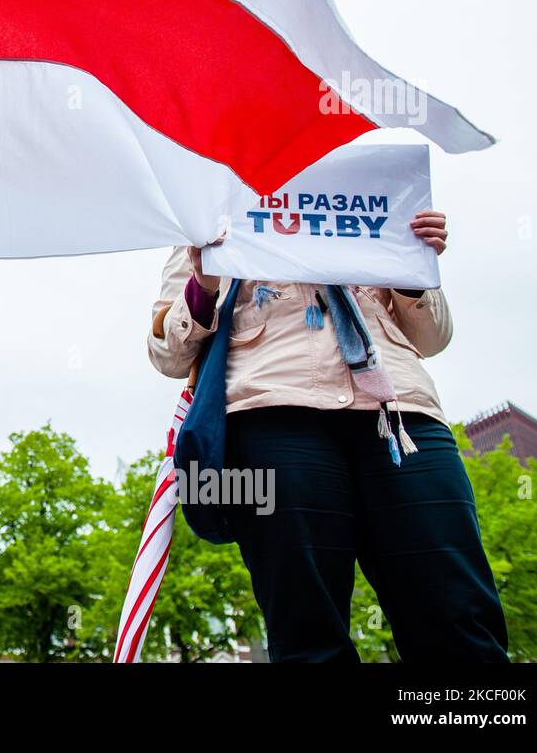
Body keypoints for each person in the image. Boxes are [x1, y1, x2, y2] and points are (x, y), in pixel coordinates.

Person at [147, 211, 508, 662]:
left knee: (457, 613)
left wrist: (415, 268)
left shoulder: (371, 203)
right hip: (270, 411)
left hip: (399, 415)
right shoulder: (210, 213)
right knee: (307, 631)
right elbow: (167, 355)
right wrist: (202, 284)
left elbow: (433, 338)